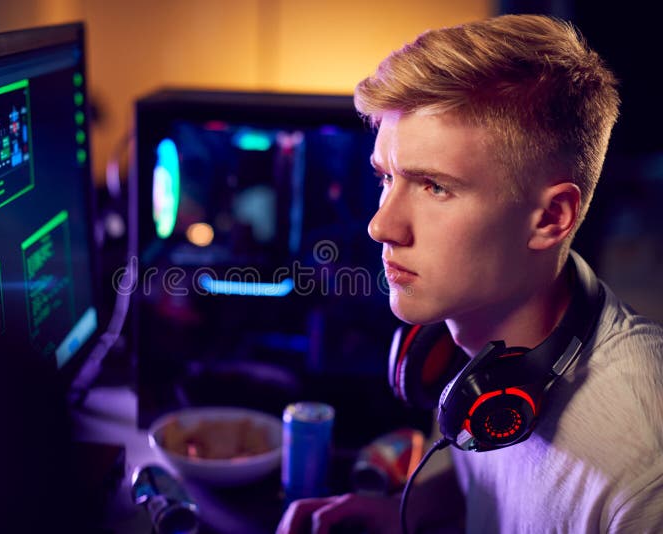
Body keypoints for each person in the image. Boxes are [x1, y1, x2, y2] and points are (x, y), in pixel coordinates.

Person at [277, 13, 663, 534]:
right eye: (386, 177)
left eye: (435, 186)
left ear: (550, 218)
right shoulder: (486, 366)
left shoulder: (642, 471)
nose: (380, 225)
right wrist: (403, 513)